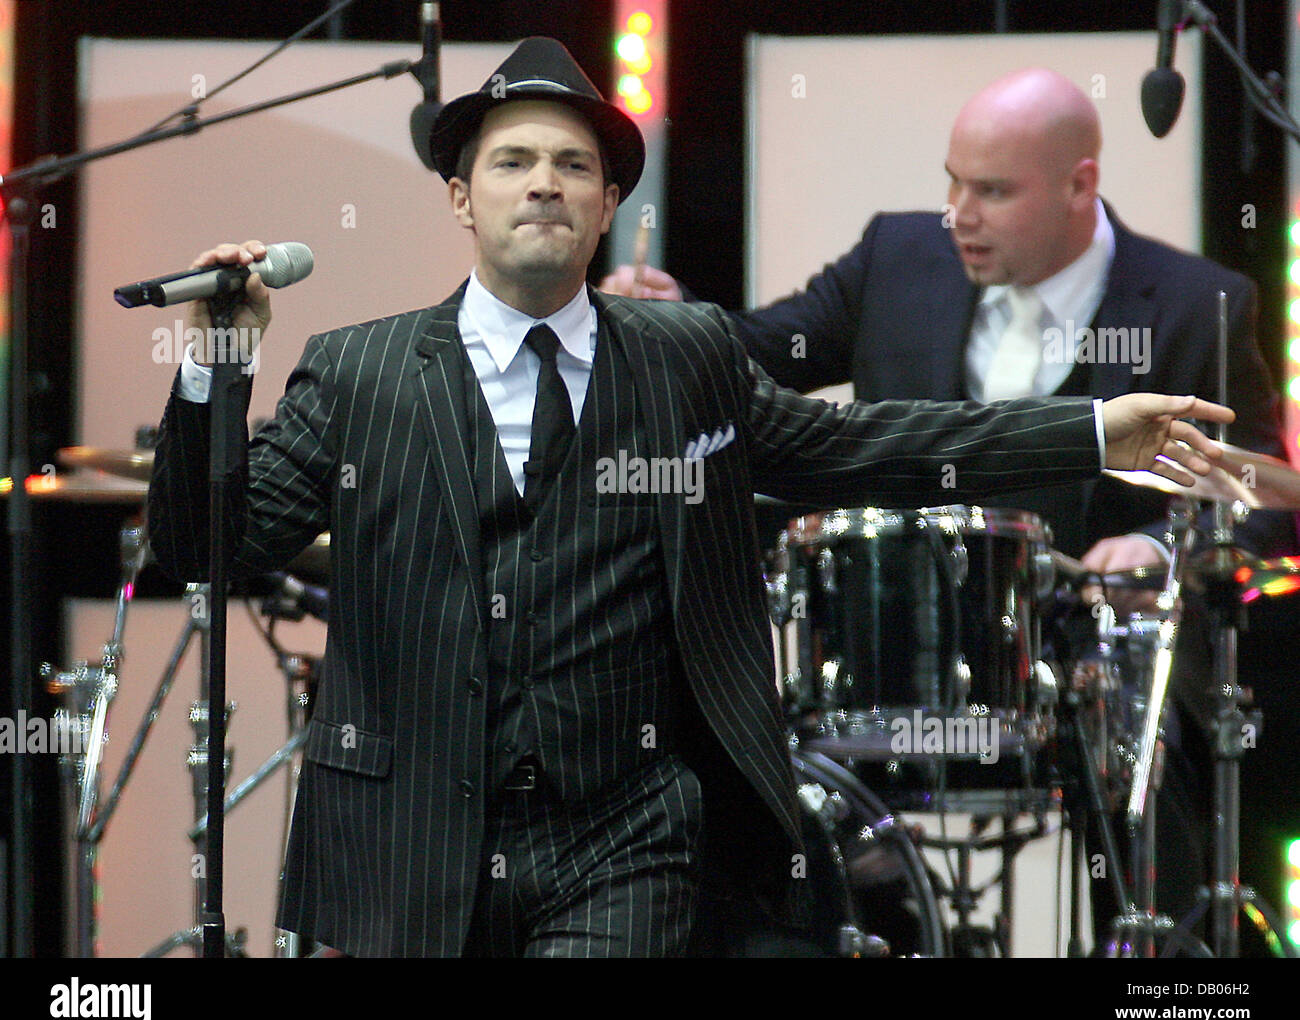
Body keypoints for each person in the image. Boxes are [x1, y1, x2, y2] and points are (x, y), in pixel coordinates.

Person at [146, 43, 1232, 958]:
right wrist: (215, 370)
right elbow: (209, 550)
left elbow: (857, 444)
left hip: (623, 837)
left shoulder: (684, 359)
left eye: (574, 165)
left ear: (609, 200)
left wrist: (1091, 430)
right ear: (460, 196)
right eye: (513, 160)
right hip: (410, 837)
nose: (544, 183)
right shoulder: (361, 372)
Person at [603, 67, 1296, 947]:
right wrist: (672, 326)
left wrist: (1159, 546)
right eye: (952, 181)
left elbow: (1262, 491)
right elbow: (757, 354)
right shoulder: (898, 256)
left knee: (1162, 776)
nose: (957, 213)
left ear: (1082, 184)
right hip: (896, 645)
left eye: (993, 192)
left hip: (1092, 673)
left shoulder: (1200, 304)